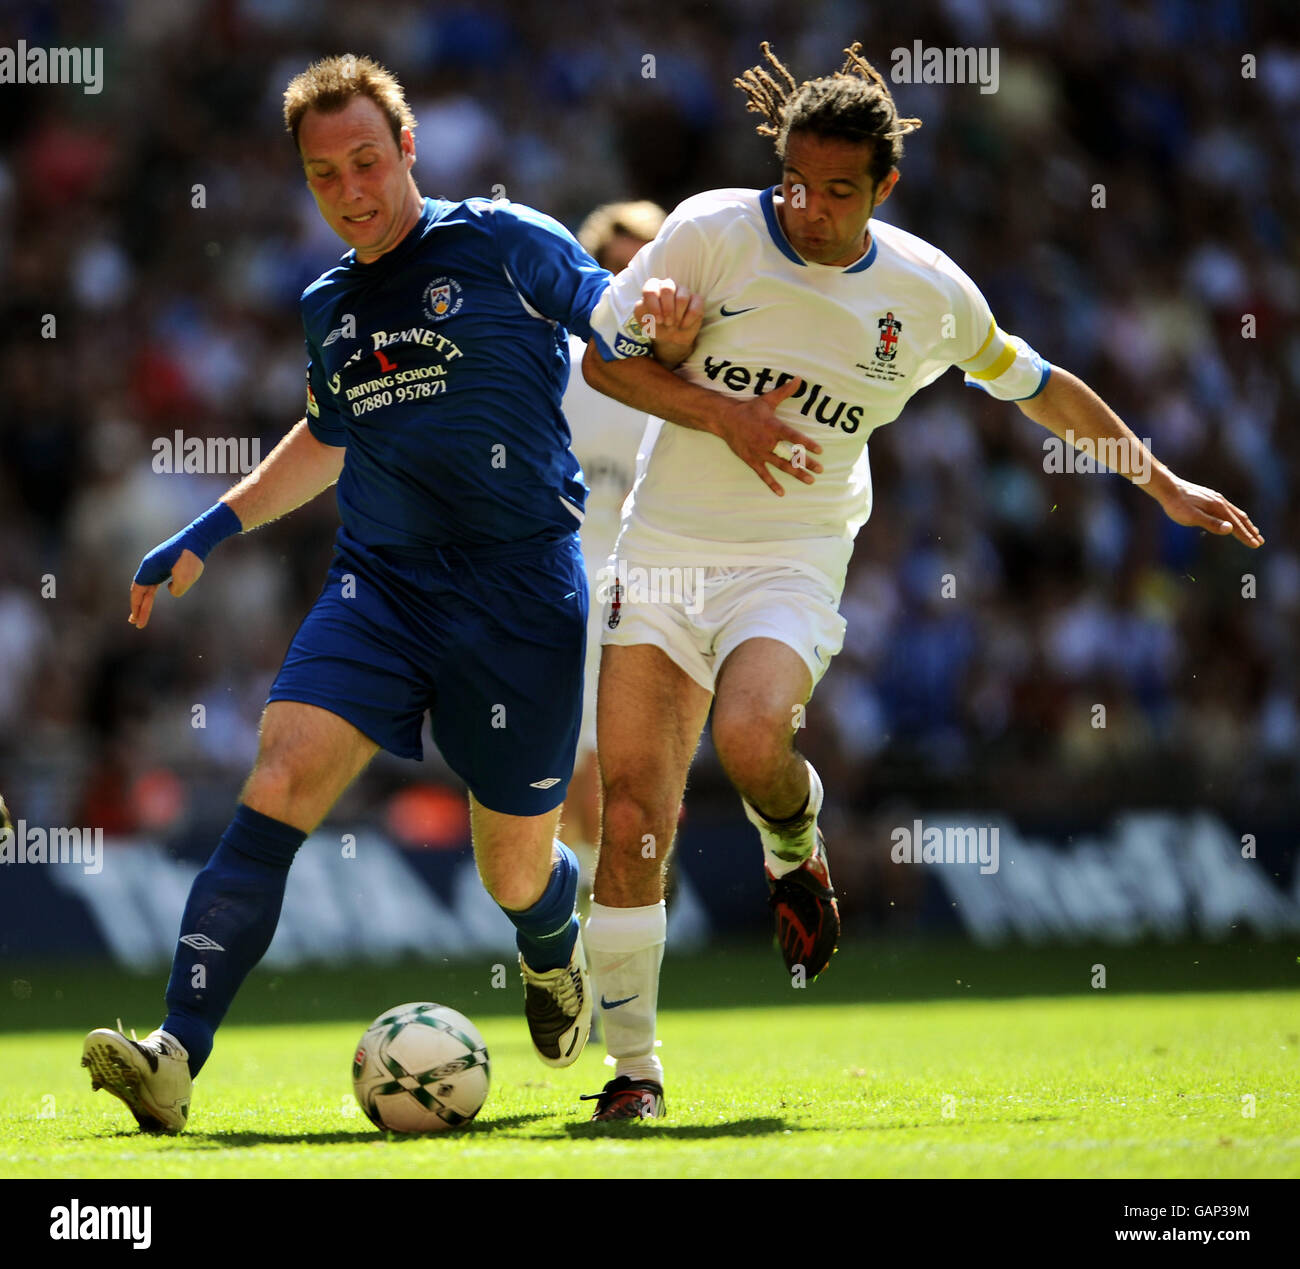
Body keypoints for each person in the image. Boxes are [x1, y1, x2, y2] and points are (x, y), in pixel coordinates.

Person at [574, 42, 1265, 1120]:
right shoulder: (709, 230)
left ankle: (791, 843)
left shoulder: (926, 292)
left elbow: (1038, 387)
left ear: (882, 186)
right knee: (631, 820)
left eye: (836, 190)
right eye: (793, 182)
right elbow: (601, 362)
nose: (806, 207)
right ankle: (634, 1073)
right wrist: (724, 412)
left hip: (790, 555)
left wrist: (1160, 479)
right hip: (659, 551)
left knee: (753, 740)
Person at [78, 59, 698, 1135]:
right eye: (325, 175)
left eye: (367, 160)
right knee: (278, 777)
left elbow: (613, 327)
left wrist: (672, 334)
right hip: (385, 588)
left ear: (407, 150)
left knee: (512, 870)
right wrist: (210, 528)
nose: (352, 189)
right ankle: (175, 1054)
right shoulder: (329, 305)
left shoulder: (504, 241)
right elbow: (328, 433)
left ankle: (551, 944)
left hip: (521, 593)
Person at [558, 201, 666, 910]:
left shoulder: (684, 382)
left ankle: (623, 908)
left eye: (645, 263)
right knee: (563, 773)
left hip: (642, 588)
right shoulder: (557, 365)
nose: (630, 278)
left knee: (619, 771)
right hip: (556, 585)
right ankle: (595, 910)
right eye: (616, 265)